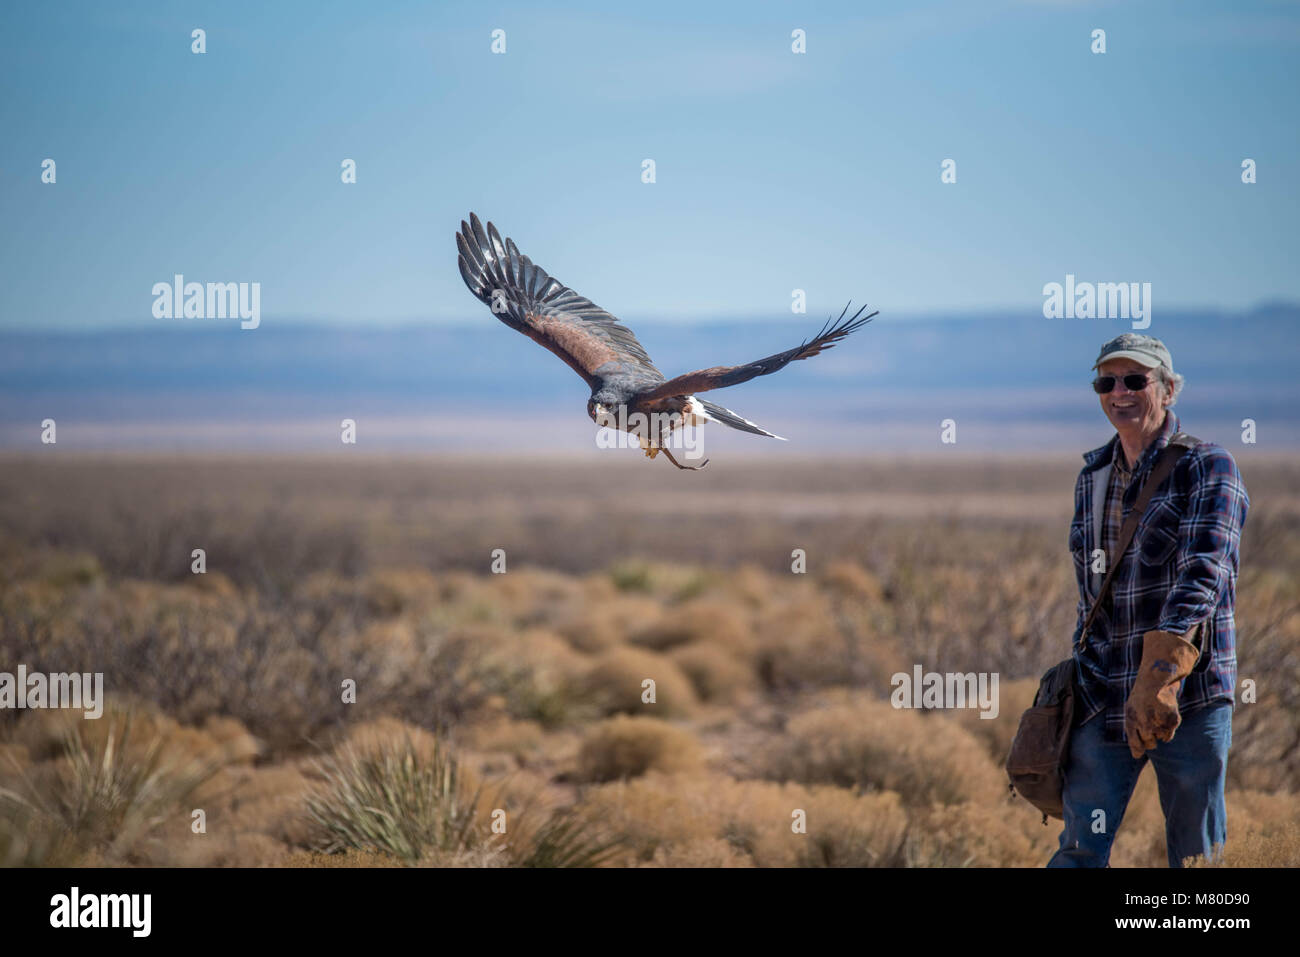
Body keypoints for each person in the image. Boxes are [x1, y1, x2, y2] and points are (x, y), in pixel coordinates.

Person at [1048, 334, 1249, 868]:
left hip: (1189, 694)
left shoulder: (1209, 467)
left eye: (1135, 380)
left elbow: (1203, 575)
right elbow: (1089, 591)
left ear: (1169, 389)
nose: (1120, 392)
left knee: (1196, 857)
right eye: (1106, 382)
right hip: (1102, 691)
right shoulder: (1092, 477)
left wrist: (1159, 677)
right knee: (1078, 850)